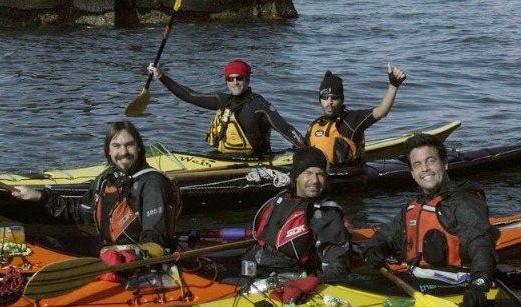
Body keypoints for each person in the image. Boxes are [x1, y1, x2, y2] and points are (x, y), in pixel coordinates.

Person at [11, 120, 181, 268]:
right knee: (43, 240)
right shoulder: (106, 179)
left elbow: (154, 241)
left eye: (129, 144)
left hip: (136, 260)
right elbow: (81, 213)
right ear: (109, 151)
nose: (123, 152)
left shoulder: (153, 184)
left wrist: (120, 255)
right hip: (108, 252)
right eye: (116, 146)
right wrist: (40, 196)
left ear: (139, 148)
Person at [360, 132, 500, 307]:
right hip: (418, 279)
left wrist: (479, 282)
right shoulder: (413, 206)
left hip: (455, 283)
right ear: (412, 173)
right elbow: (387, 235)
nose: (424, 168)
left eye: (430, 160)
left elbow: (480, 243)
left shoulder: (463, 202)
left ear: (445, 164)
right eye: (417, 164)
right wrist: (374, 248)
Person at [146, 59, 303, 157]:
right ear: (226, 81)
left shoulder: (259, 106)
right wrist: (161, 76)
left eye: (239, 78)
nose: (235, 83)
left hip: (254, 162)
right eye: (230, 79)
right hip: (223, 157)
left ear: (247, 79)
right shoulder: (222, 101)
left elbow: (286, 129)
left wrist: (308, 152)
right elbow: (189, 95)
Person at [242, 146, 352, 284]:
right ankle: (244, 282)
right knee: (239, 272)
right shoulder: (283, 198)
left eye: (320, 174)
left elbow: (335, 255)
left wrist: (327, 279)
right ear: (296, 176)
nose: (315, 180)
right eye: (309, 173)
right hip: (257, 261)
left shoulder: (325, 213)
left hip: (287, 276)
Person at [305, 65, 407, 167]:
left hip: (350, 179)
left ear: (342, 99)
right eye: (325, 98)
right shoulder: (314, 126)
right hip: (323, 178)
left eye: (334, 98)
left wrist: (393, 85)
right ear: (320, 100)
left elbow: (381, 112)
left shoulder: (352, 120)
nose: (329, 102)